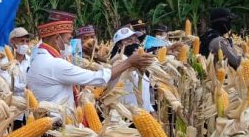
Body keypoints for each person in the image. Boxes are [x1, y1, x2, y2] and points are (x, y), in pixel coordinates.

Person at [26, 19, 154, 109]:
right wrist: (129, 62)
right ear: (56, 38)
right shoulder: (54, 63)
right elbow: (96, 78)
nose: (70, 44)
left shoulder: (40, 59)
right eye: (69, 39)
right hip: (57, 125)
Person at [0, 27, 33, 128]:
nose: (25, 44)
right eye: (22, 41)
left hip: (29, 110)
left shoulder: (31, 61)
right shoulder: (4, 63)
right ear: (13, 42)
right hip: (12, 111)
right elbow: (9, 85)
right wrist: (27, 87)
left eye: (27, 41)